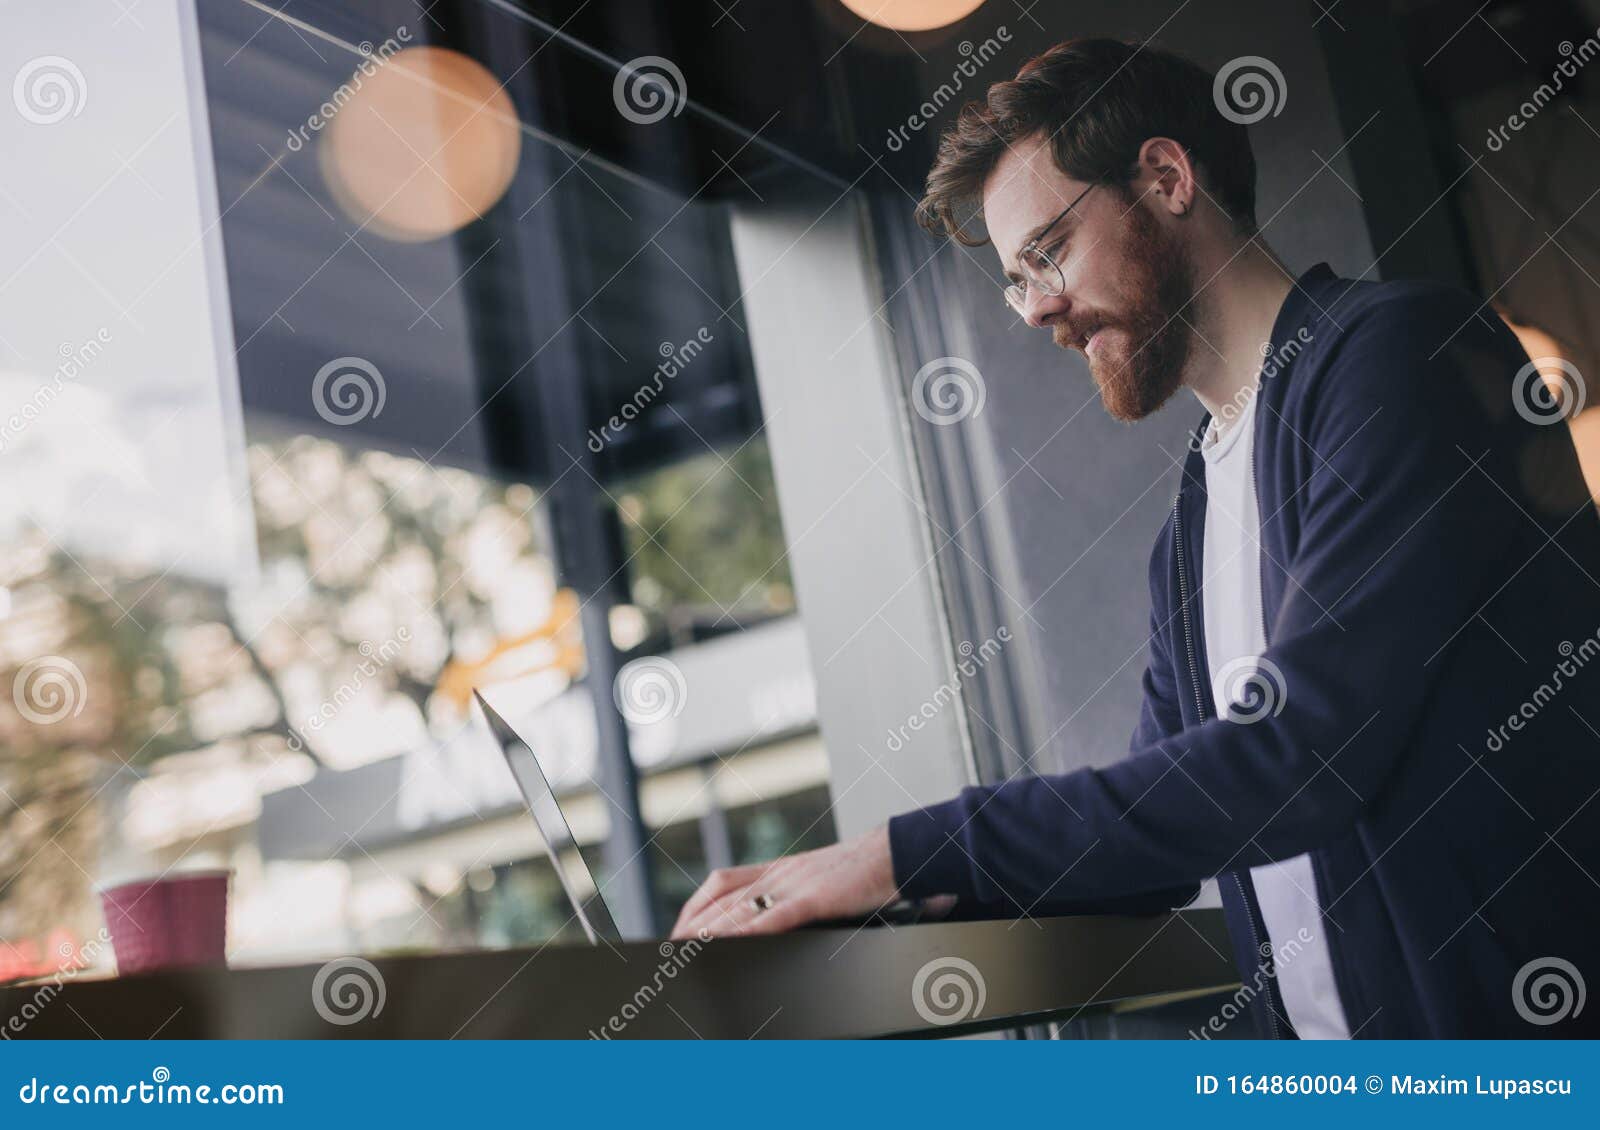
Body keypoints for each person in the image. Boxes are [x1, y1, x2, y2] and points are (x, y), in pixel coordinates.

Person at [672, 37, 1600, 1038]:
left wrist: (895, 852)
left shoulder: (1396, 356)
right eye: (1017, 279)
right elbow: (1162, 842)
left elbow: (1299, 754)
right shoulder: (1191, 521)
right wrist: (895, 904)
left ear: (1165, 178)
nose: (1038, 309)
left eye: (1048, 252)